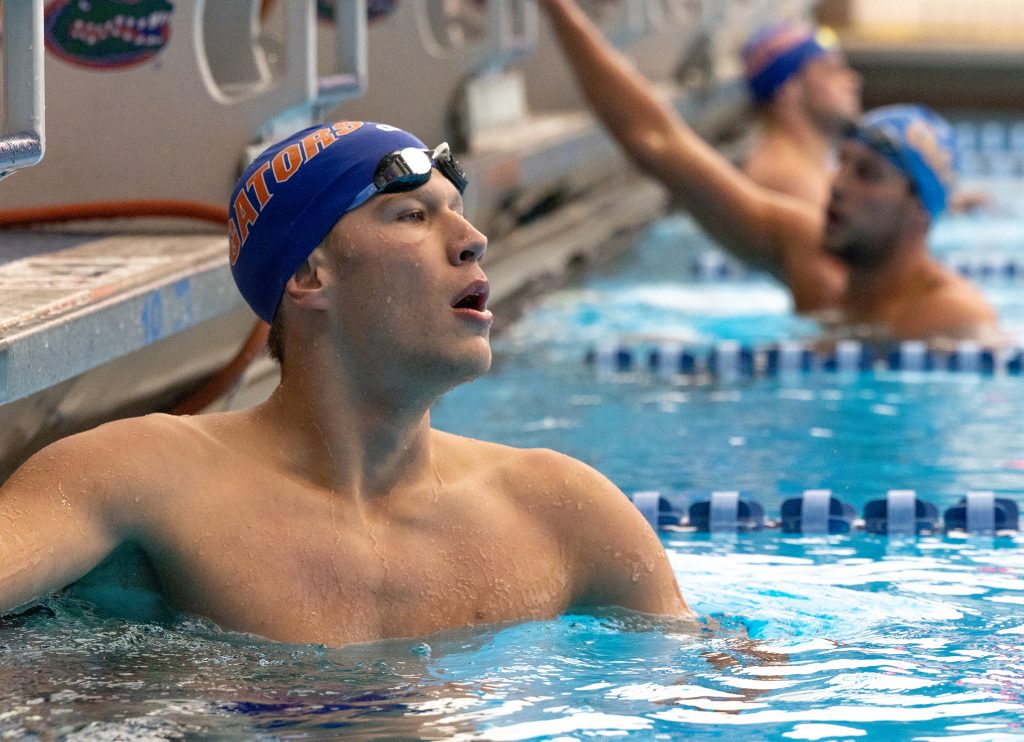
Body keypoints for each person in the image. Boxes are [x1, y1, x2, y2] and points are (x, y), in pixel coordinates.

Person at [0, 121, 690, 645]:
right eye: (413, 215)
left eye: (457, 209)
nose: (473, 238)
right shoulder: (140, 477)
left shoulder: (563, 511)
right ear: (307, 276)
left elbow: (722, 690)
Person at [539, 0, 998, 342]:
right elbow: (656, 142)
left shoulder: (952, 320)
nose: (838, 184)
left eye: (868, 174)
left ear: (920, 211)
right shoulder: (807, 252)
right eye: (844, 164)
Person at [740, 22, 861, 207]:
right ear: (788, 89)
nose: (852, 79)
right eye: (830, 70)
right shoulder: (788, 180)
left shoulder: (815, 168)